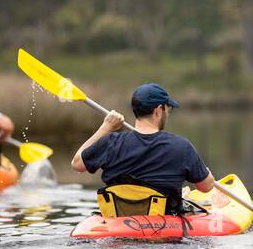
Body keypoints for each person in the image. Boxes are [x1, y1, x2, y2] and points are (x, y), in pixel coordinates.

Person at [71, 83, 216, 214]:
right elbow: (206, 187)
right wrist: (206, 173)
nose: (168, 113)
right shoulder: (182, 147)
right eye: (168, 108)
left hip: (118, 225)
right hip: (165, 231)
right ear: (159, 110)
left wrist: (106, 127)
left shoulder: (110, 143)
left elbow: (77, 164)